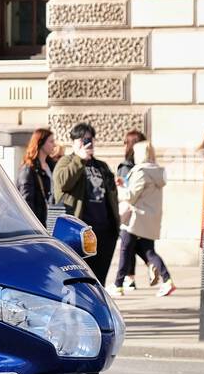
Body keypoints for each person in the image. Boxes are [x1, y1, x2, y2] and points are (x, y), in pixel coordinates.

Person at [53, 122, 120, 284]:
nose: (88, 143)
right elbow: (63, 183)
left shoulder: (101, 166)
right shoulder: (66, 161)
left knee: (99, 279)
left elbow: (112, 193)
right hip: (80, 232)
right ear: (74, 142)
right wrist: (79, 160)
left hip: (104, 231)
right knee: (81, 278)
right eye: (83, 140)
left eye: (90, 140)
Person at [117, 140, 175, 296]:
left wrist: (119, 188)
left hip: (136, 218)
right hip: (150, 218)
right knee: (148, 251)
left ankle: (118, 284)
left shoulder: (141, 171)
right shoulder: (157, 172)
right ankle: (167, 280)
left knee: (125, 249)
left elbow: (130, 196)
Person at [112, 129, 147, 291]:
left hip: (129, 211)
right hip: (143, 211)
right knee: (135, 245)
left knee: (128, 246)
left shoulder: (126, 167)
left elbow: (124, 191)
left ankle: (122, 280)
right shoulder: (145, 167)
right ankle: (131, 277)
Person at [15, 127, 55, 225]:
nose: (54, 145)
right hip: (36, 223)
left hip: (48, 219)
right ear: (41, 143)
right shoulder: (29, 169)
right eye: (51, 141)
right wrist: (33, 225)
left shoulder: (51, 165)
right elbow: (26, 200)